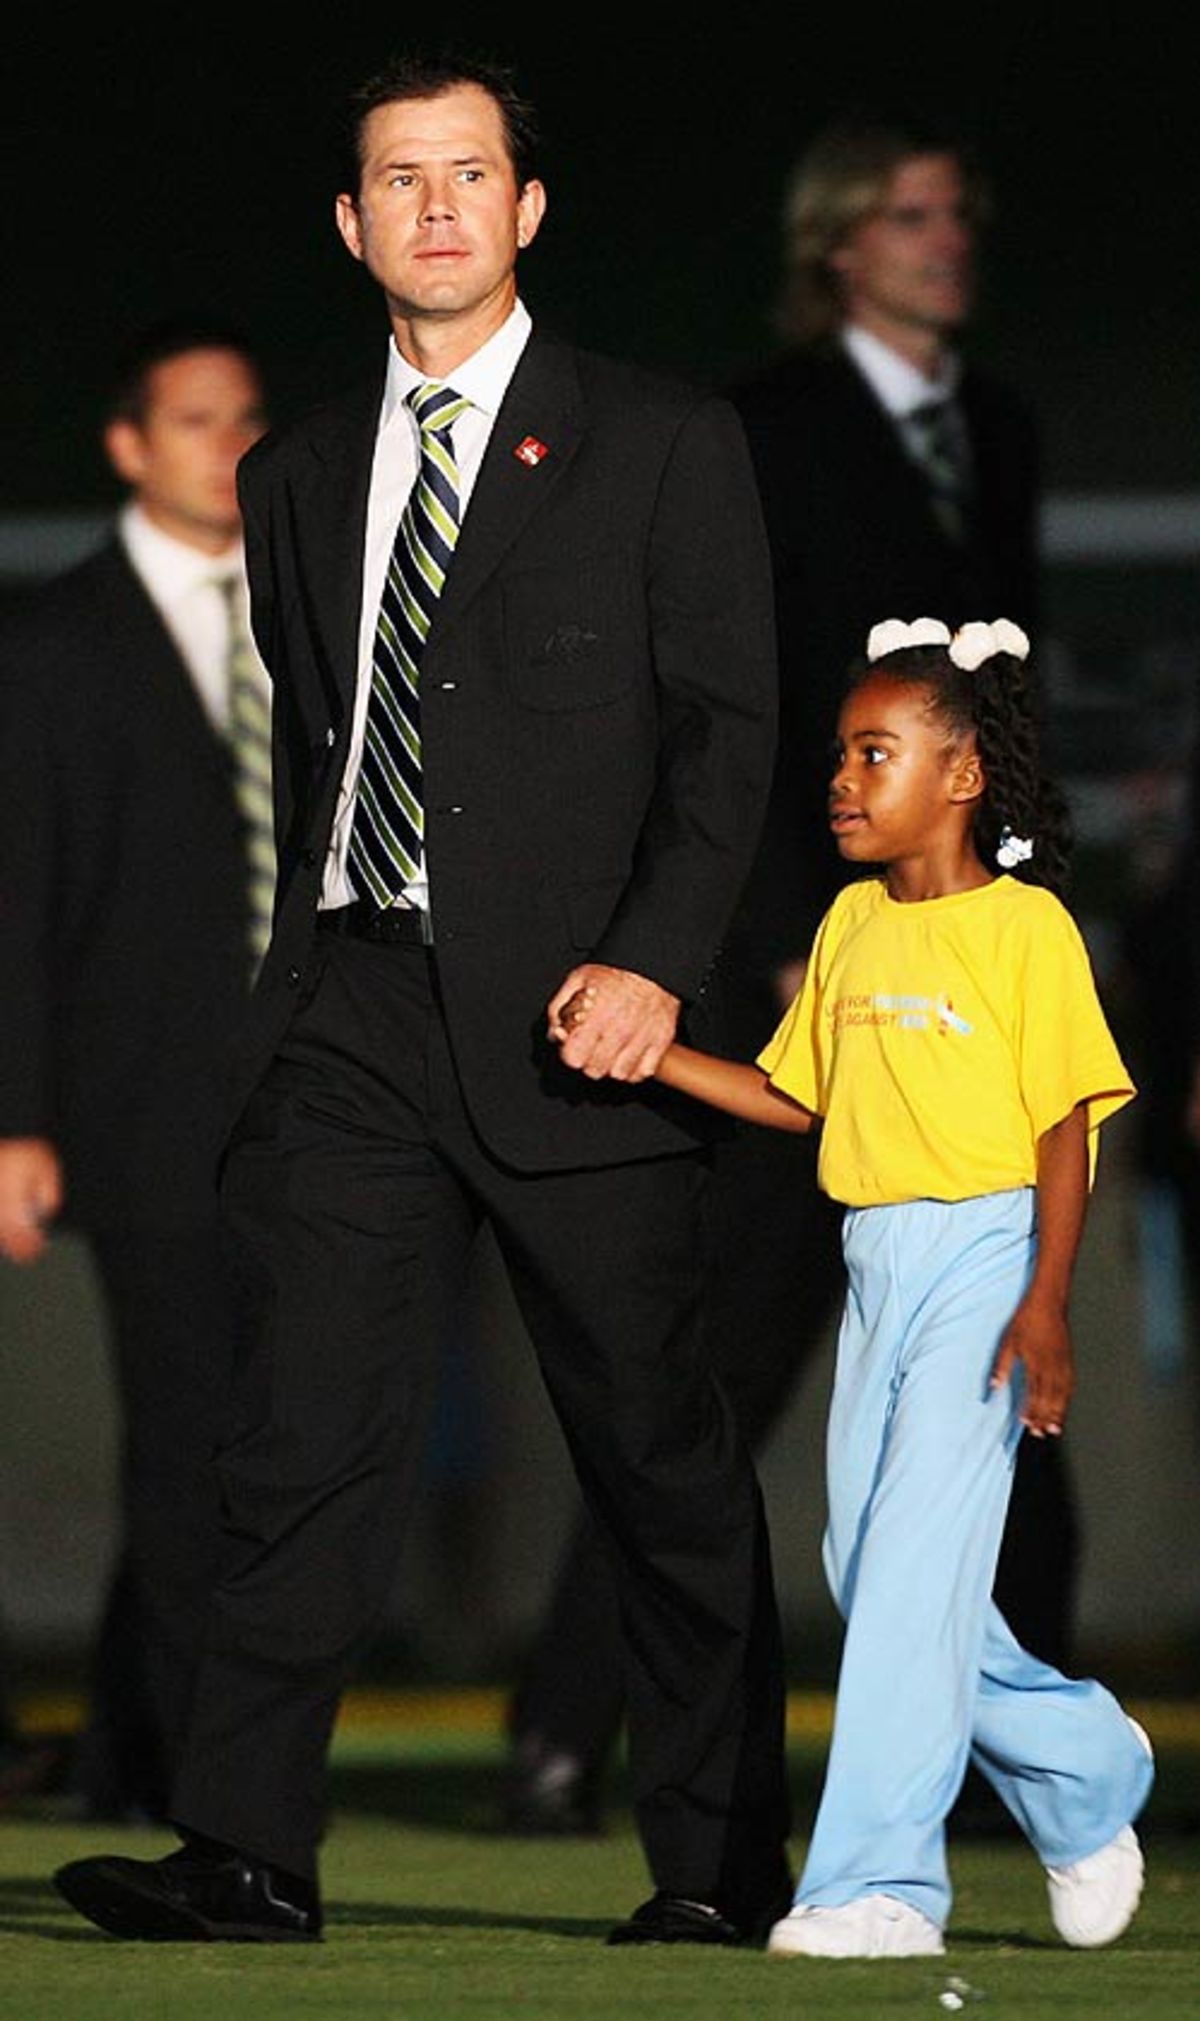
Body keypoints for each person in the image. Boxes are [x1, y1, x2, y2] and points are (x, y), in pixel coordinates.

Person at [52, 50, 791, 1948]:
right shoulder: (291, 473)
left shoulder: (657, 435)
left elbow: (728, 739)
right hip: (354, 1011)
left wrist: (653, 962)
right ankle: (244, 1847)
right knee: (291, 1434)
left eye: (474, 173)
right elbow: (324, 736)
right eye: (401, 177)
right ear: (351, 222)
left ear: (529, 211)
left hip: (581, 1020)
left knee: (654, 1450)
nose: (440, 205)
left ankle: (714, 1867)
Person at [503, 109, 1066, 1835]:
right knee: (719, 1375)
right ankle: (562, 1723)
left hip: (970, 981)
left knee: (1013, 1404)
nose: (946, 237)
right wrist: (745, 953)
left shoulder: (1002, 434)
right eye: (911, 214)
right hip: (797, 978)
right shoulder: (763, 431)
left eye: (957, 211)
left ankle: (1005, 1764)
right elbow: (728, 705)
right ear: (838, 244)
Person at [559, 614, 1154, 1958]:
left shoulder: (1029, 929)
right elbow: (788, 1093)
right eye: (839, 754)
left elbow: (1066, 1126)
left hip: (992, 1252)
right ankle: (1083, 1764)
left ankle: (882, 1886)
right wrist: (647, 1052)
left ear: (960, 775)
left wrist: (1045, 1300)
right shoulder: (846, 923)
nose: (840, 780)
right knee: (866, 1564)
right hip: (877, 1260)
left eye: (873, 753)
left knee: (902, 1579)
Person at [0, 319, 272, 1821]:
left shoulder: (307, 615)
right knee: (191, 1429)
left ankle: (125, 1743)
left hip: (300, 1095)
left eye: (246, 418)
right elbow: (16, 898)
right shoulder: (54, 641)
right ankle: (194, 1771)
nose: (227, 447)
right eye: (192, 419)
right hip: (140, 1103)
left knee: (245, 1424)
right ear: (127, 445)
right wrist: (15, 1119)